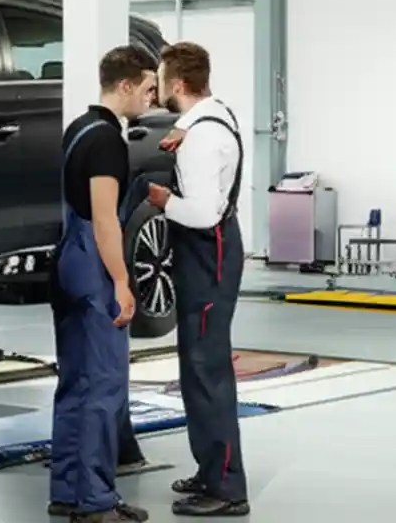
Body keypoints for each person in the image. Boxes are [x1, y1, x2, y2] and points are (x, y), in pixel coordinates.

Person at [48, 46, 158, 523]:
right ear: (126, 85)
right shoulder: (110, 142)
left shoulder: (78, 128)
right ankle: (94, 501)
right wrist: (121, 280)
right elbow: (105, 220)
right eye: (149, 88)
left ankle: (67, 491)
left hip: (66, 259)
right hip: (94, 263)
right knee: (105, 385)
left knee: (73, 381)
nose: (153, 99)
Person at [145, 42, 250, 517]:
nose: (157, 88)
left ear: (179, 85)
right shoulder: (210, 116)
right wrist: (181, 126)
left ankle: (227, 488)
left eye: (162, 81)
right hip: (210, 256)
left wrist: (163, 201)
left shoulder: (203, 140)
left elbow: (204, 213)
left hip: (210, 255)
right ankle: (210, 469)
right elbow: (206, 115)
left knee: (208, 373)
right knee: (194, 368)